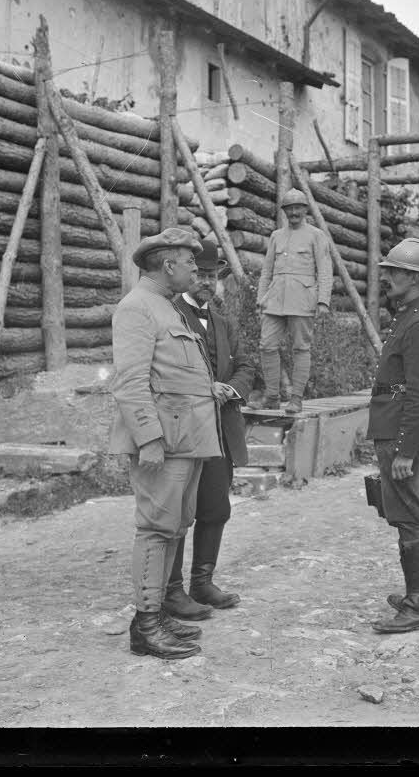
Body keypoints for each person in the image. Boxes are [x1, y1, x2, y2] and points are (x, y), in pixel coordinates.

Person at [109, 228, 223, 661]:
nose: (196, 267)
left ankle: (157, 613)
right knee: (156, 529)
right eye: (188, 260)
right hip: (165, 442)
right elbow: (130, 382)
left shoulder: (168, 309)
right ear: (165, 264)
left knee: (175, 526)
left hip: (187, 440)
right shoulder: (137, 308)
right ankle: (146, 624)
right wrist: (149, 439)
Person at [164, 239, 257, 620]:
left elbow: (248, 365)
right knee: (180, 510)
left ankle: (203, 582)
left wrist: (231, 389)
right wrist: (206, 389)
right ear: (187, 275)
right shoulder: (169, 316)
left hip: (220, 429)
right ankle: (172, 590)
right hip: (185, 430)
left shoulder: (222, 322)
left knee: (215, 508)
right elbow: (167, 369)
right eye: (199, 274)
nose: (206, 281)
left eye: (212, 276)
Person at [365, 238, 419, 634]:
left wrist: (404, 451)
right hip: (399, 427)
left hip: (403, 431)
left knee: (409, 514)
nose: (387, 277)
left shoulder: (418, 323)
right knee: (408, 512)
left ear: (414, 278)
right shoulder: (413, 316)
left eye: (394, 271)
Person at [251, 188, 333, 414]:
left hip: (303, 299)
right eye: (290, 208)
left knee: (301, 348)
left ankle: (296, 399)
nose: (294, 212)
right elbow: (266, 271)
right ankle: (272, 396)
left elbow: (325, 270)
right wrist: (261, 299)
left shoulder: (316, 235)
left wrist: (323, 301)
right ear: (284, 211)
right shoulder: (277, 236)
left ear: (305, 210)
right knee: (266, 345)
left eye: (298, 208)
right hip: (275, 299)